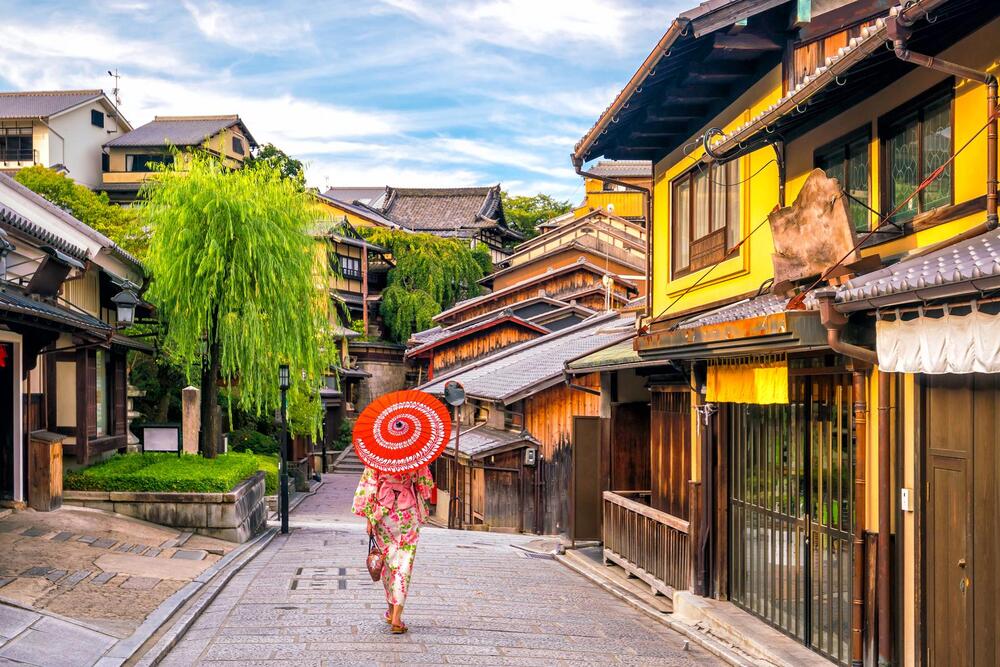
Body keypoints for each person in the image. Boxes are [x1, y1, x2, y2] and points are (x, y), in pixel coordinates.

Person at [352, 464, 434, 634]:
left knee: (388, 563)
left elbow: (368, 487)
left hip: (384, 514)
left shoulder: (377, 458)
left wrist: (369, 519)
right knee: (404, 564)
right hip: (407, 513)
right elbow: (425, 486)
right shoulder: (414, 457)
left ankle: (391, 611)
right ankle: (396, 616)